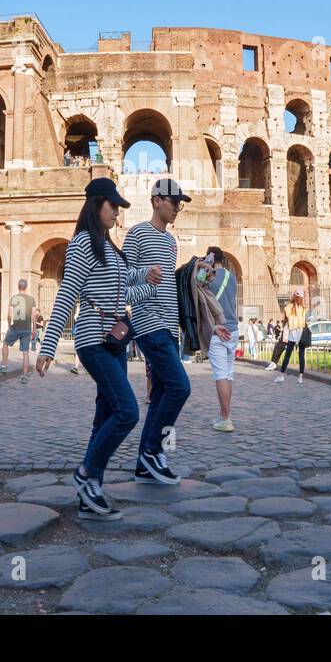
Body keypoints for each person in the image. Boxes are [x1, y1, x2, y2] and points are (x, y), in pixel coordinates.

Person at [36, 177, 161, 520]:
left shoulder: (109, 248)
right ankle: (86, 473)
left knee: (105, 415)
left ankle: (90, 494)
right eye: (113, 206)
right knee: (128, 411)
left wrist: (147, 282)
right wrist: (48, 345)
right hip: (93, 341)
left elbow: (121, 296)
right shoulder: (81, 245)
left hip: (116, 340)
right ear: (96, 205)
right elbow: (67, 294)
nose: (117, 214)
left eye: (120, 209)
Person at [124, 177, 194, 485]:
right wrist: (143, 273)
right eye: (173, 202)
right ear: (156, 201)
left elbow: (167, 284)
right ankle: (154, 451)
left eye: (180, 203)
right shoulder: (137, 233)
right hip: (147, 322)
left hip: (169, 326)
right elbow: (122, 277)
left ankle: (147, 462)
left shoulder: (170, 241)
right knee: (181, 387)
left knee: (164, 392)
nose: (177, 208)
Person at [199, 248, 236, 432]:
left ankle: (226, 418)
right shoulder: (232, 277)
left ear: (211, 259)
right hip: (234, 330)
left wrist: (205, 265)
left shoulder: (208, 275)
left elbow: (196, 285)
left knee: (220, 375)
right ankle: (224, 415)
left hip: (218, 331)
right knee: (228, 374)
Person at [0, 278, 39, 384]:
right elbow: (34, 316)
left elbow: (9, 315)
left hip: (15, 327)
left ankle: (4, 366)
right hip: (27, 329)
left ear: (18, 287)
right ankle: (24, 376)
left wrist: (9, 325)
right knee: (25, 352)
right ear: (26, 287)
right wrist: (34, 329)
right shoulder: (31, 299)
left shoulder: (13, 298)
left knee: (5, 343)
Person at [273, 290, 309, 383]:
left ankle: (281, 376)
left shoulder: (289, 307)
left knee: (287, 355)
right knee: (301, 355)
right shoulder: (304, 307)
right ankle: (300, 377)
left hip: (293, 332)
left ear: (294, 296)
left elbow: (286, 318)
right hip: (301, 331)